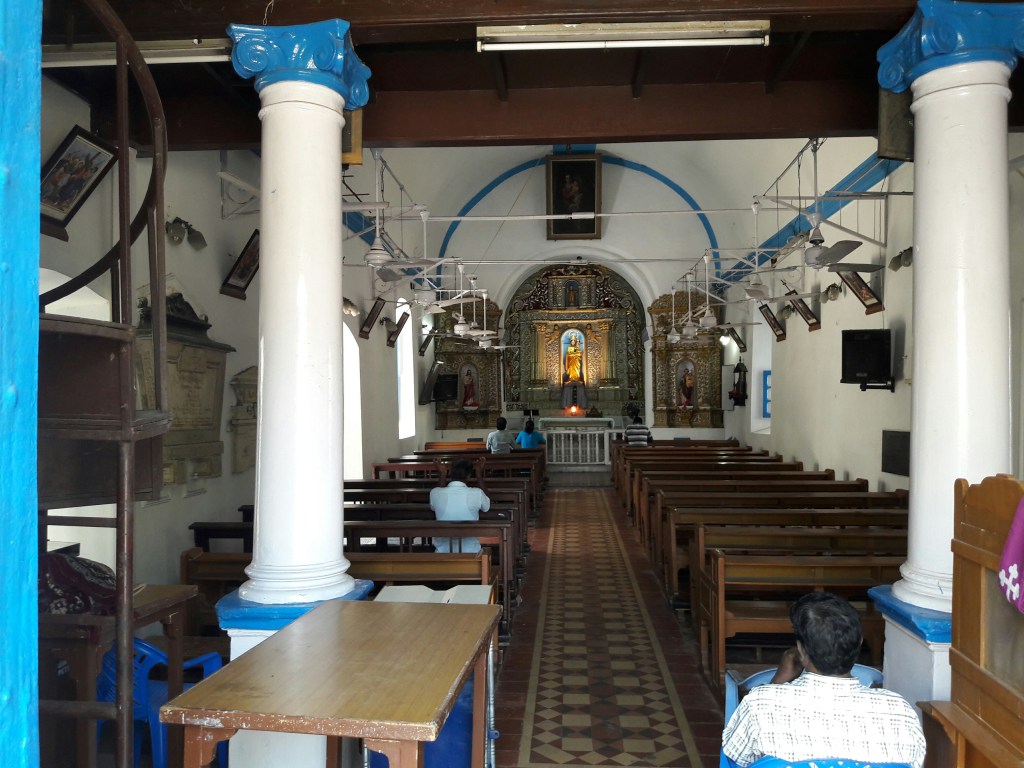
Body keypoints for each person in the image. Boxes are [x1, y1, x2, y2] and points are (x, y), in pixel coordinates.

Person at [722, 592, 926, 768]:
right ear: (859, 643)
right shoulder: (900, 712)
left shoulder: (760, 705)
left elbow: (735, 760)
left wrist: (777, 684)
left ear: (801, 650)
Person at [429, 460, 490, 554]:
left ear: (450, 473)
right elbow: (487, 507)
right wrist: (478, 474)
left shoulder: (435, 493)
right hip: (471, 552)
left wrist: (442, 474)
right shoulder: (477, 493)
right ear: (469, 475)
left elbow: (436, 500)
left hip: (442, 552)